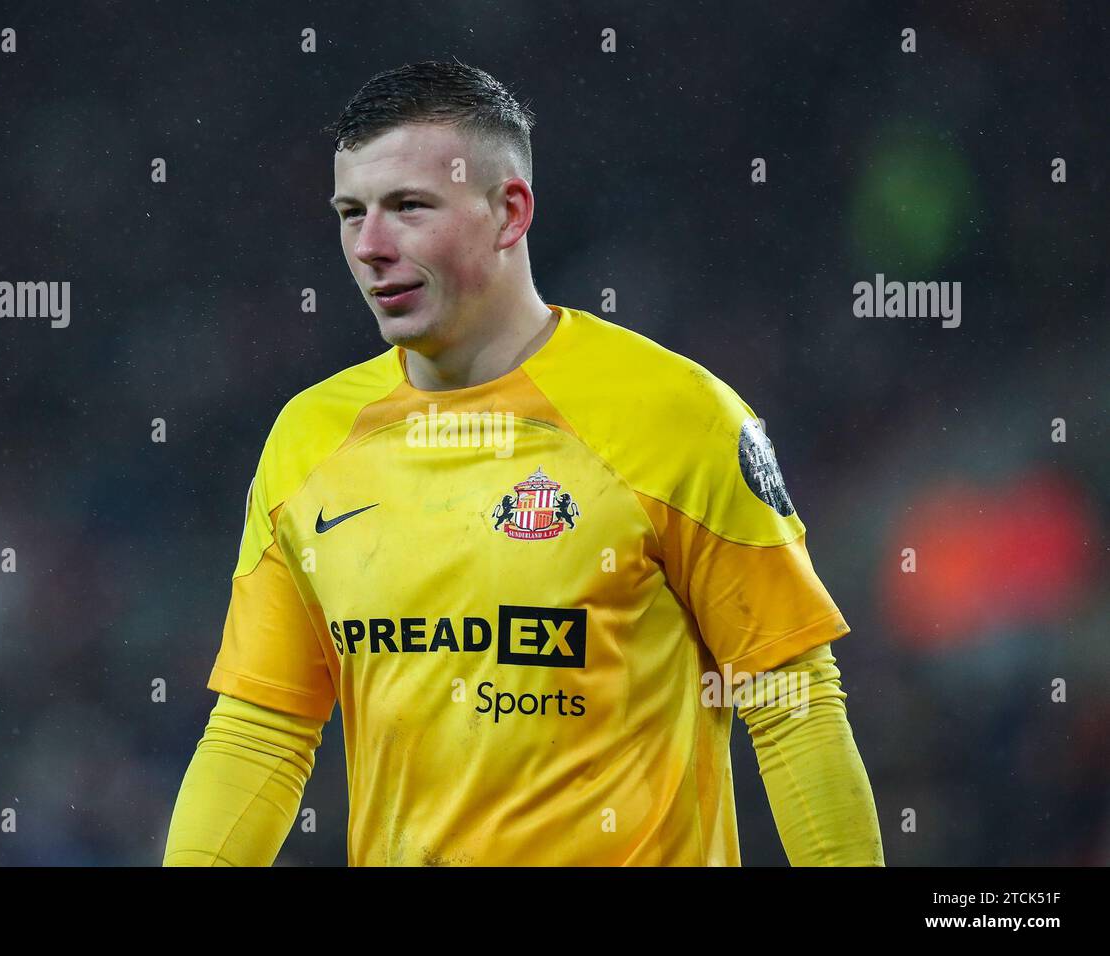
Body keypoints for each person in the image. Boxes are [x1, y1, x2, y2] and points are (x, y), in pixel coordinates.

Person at [163, 59, 883, 866]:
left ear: (509, 212)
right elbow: (260, 732)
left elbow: (793, 705)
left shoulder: (679, 417)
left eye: (407, 207)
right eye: (350, 212)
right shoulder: (309, 440)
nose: (369, 247)